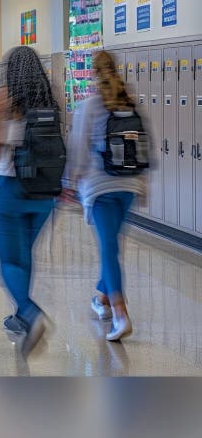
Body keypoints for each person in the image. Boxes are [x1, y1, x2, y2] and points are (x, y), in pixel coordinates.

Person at [0, 45, 61, 356]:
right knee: (24, 257)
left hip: (9, 190)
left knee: (8, 262)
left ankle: (30, 312)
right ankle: (20, 318)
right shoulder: (51, 98)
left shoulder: (1, 98)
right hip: (43, 193)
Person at [67, 51, 148, 342]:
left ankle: (121, 313)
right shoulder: (128, 102)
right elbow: (142, 146)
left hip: (101, 188)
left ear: (93, 73)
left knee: (108, 249)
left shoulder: (89, 106)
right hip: (128, 187)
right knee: (112, 246)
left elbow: (78, 148)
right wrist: (143, 183)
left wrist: (70, 181)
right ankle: (101, 297)